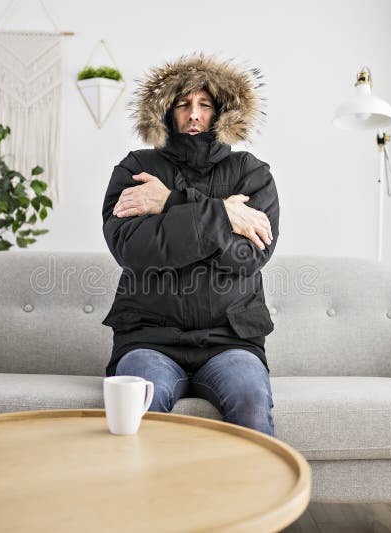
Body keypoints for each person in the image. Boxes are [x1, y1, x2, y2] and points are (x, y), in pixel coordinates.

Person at [100, 53, 280, 436]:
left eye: (204, 105)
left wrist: (169, 204)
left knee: (250, 398)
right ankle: (145, 498)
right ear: (166, 112)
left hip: (231, 340)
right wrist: (224, 216)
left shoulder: (252, 173)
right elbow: (134, 249)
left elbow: (247, 255)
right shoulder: (136, 168)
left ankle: (252, 498)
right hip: (149, 338)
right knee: (139, 411)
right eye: (183, 105)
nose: (194, 115)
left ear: (222, 112)